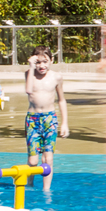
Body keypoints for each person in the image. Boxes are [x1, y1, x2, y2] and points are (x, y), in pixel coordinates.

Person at [21, 49, 69, 190]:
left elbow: (61, 100)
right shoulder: (29, 74)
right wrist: (31, 67)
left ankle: (46, 190)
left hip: (50, 119)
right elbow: (29, 90)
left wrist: (65, 123)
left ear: (51, 61)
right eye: (38, 62)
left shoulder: (56, 77)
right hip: (32, 120)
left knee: (48, 159)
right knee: (33, 160)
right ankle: (30, 184)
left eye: (45, 62)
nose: (41, 66)